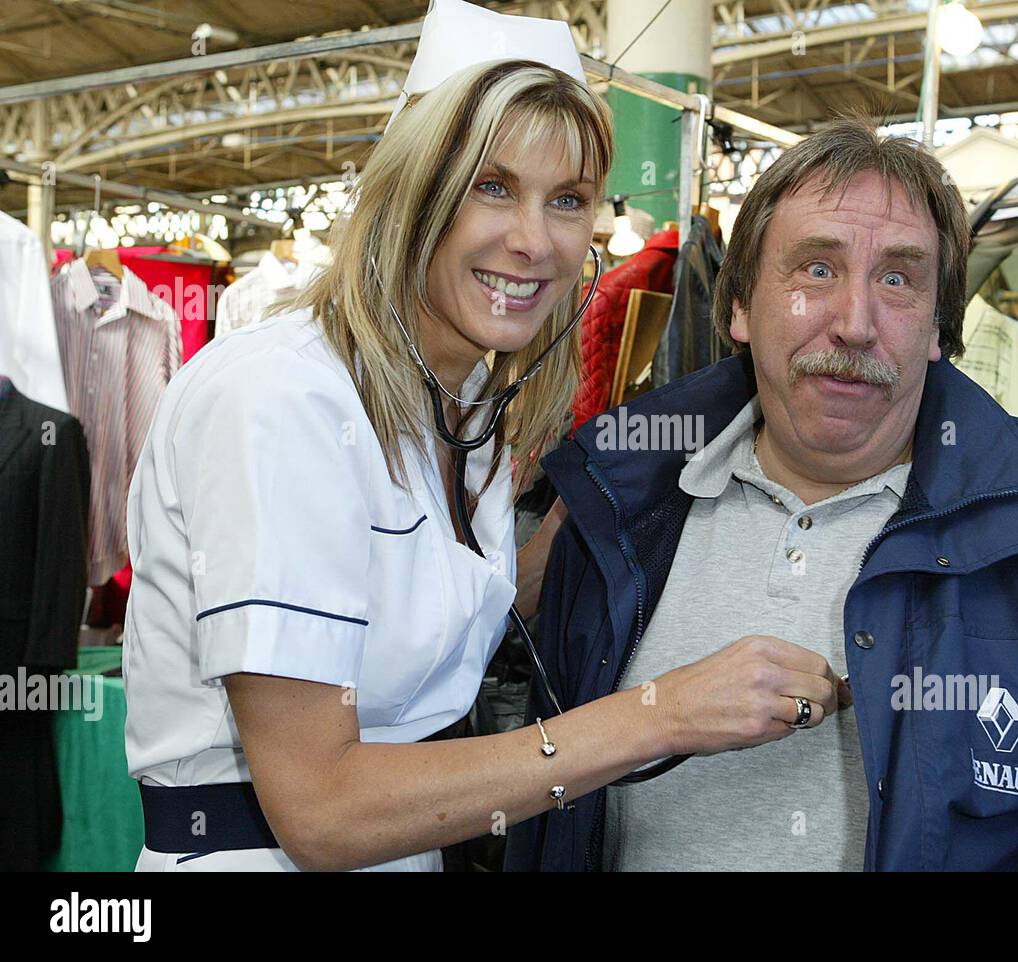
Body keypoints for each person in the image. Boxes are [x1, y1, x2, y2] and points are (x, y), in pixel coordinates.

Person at [122, 3, 848, 873]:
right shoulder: (281, 399)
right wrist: (664, 711)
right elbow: (321, 811)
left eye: (569, 200)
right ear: (412, 189)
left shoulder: (463, 409)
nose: (533, 241)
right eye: (491, 186)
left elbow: (429, 608)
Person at [507, 118, 1018, 872]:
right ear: (740, 306)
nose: (855, 323)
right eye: (817, 268)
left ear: (941, 330)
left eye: (899, 278)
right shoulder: (623, 503)